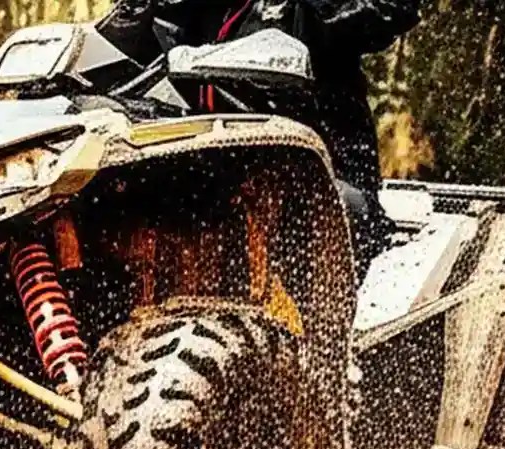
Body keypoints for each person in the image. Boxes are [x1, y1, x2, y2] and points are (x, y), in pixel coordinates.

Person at [93, 0, 421, 272]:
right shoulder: (195, 11)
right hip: (205, 176)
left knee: (330, 216)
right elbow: (116, 58)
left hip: (315, 176)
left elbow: (390, 10)